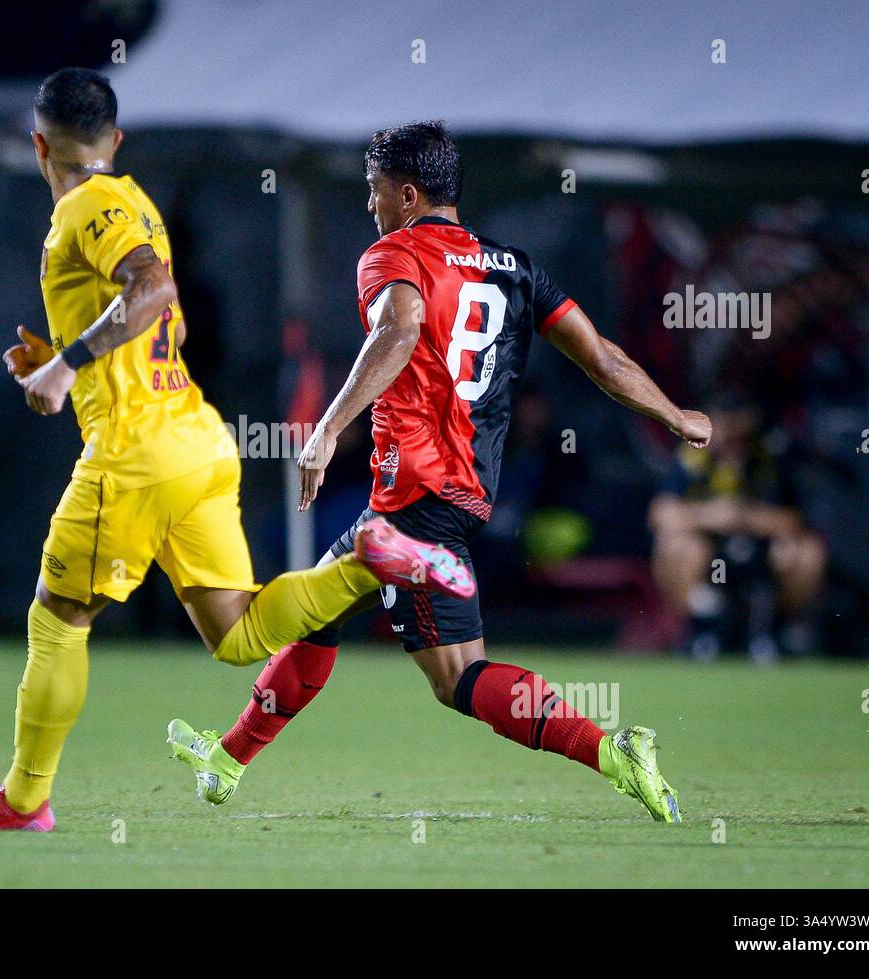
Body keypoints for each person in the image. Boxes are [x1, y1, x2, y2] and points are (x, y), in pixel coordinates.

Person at [0, 75, 470, 833]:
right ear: (115, 141)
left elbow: (152, 290)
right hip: (196, 440)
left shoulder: (88, 204)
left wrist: (64, 365)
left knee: (58, 618)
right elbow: (166, 327)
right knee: (240, 635)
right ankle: (369, 561)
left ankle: (22, 801)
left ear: (38, 145)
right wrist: (61, 353)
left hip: (136, 452)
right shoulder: (135, 202)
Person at [168, 121, 713, 823]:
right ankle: (228, 758)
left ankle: (611, 750)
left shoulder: (392, 253)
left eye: (373, 193)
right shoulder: (515, 268)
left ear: (405, 193)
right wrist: (676, 415)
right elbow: (602, 358)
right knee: (320, 619)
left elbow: (400, 328)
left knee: (458, 678)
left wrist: (328, 428)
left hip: (415, 498)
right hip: (458, 492)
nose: (370, 207)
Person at [649, 399, 826, 661]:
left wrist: (743, 517)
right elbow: (660, 514)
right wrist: (710, 516)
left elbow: (793, 519)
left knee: (805, 551)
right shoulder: (692, 458)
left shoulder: (767, 459)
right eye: (728, 433)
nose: (736, 443)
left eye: (742, 435)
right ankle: (699, 627)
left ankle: (779, 626)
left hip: (759, 550)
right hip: (709, 549)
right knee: (678, 546)